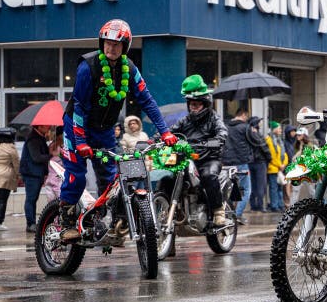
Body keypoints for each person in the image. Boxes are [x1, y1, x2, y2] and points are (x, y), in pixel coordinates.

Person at [59, 19, 177, 241]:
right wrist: (81, 141)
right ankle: (65, 222)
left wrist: (165, 132)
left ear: (125, 46)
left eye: (117, 44)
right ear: (102, 43)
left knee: (111, 177)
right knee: (78, 176)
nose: (111, 47)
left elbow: (147, 101)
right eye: (107, 43)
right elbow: (80, 107)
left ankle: (108, 222)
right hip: (77, 126)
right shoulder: (88, 66)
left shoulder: (130, 69)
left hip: (104, 130)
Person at [170, 74, 228, 225]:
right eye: (191, 104)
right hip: (188, 158)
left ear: (204, 104)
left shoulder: (213, 118)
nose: (193, 107)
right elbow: (170, 132)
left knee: (208, 176)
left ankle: (218, 211)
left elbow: (222, 131)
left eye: (196, 104)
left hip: (208, 158)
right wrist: (157, 138)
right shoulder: (185, 120)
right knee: (170, 175)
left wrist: (217, 140)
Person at [223, 108, 253, 225]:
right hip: (241, 162)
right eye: (246, 116)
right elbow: (254, 141)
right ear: (244, 115)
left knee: (229, 189)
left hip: (227, 162)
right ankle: (237, 215)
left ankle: (229, 214)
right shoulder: (245, 128)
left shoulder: (225, 126)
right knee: (246, 190)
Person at [19, 125, 51, 233]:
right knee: (31, 199)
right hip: (31, 174)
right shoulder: (33, 139)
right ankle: (30, 223)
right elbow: (36, 157)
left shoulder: (40, 137)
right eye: (47, 126)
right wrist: (51, 155)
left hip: (36, 174)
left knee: (33, 199)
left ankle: (32, 223)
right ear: (40, 126)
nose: (49, 127)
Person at [247, 116, 271, 213]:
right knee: (261, 185)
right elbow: (263, 147)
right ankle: (260, 206)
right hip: (260, 162)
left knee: (252, 185)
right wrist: (269, 158)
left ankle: (253, 205)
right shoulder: (256, 134)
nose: (261, 123)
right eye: (260, 122)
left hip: (250, 162)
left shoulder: (248, 134)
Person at [0, 128, 20, 231]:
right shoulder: (11, 148)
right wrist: (18, 176)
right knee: (2, 200)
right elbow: (16, 165)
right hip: (5, 177)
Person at [265, 121, 288, 212]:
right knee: (273, 188)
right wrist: (280, 165)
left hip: (280, 168)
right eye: (279, 128)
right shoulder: (269, 140)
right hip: (273, 168)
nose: (281, 130)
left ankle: (280, 205)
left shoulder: (279, 140)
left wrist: (284, 164)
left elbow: (284, 154)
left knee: (280, 188)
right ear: (274, 129)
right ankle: (274, 205)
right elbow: (272, 156)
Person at [43, 127, 64, 202]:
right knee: (54, 199)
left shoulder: (62, 146)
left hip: (59, 176)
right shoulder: (54, 146)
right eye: (63, 134)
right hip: (54, 175)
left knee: (58, 199)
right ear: (59, 135)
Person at [282, 125, 298, 205]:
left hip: (293, 166)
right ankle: (287, 201)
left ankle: (290, 200)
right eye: (291, 131)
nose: (293, 133)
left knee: (292, 184)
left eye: (294, 131)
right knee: (287, 184)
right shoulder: (285, 142)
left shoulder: (294, 141)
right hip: (287, 166)